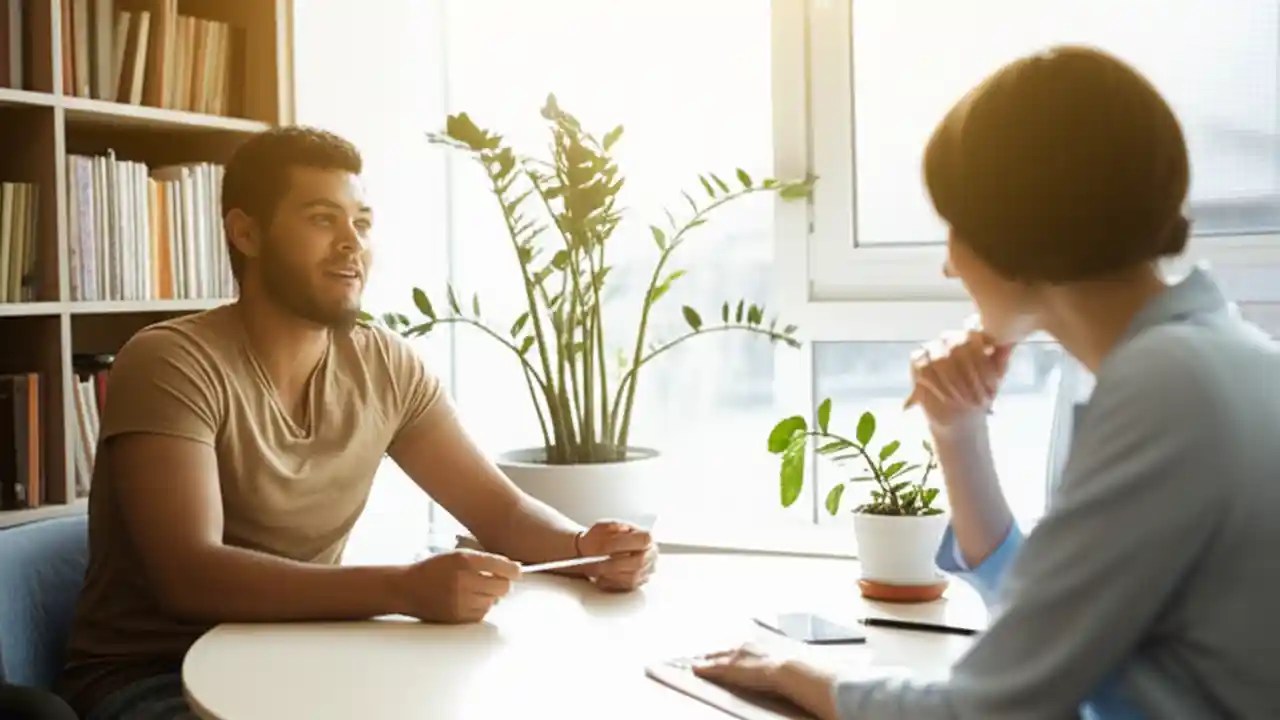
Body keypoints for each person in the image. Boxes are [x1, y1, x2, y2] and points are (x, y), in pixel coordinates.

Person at [691, 45, 1280, 718]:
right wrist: (957, 430)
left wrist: (796, 674)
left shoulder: (1169, 388)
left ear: (1014, 231)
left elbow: (992, 707)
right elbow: (1051, 634)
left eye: (955, 229)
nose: (949, 267)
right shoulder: (1216, 356)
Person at [56, 127, 658, 720]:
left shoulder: (386, 364)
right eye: (322, 219)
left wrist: (585, 549)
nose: (352, 244)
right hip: (153, 675)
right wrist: (403, 589)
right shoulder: (171, 361)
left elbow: (501, 514)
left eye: (362, 224)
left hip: (303, 654)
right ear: (246, 233)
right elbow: (190, 575)